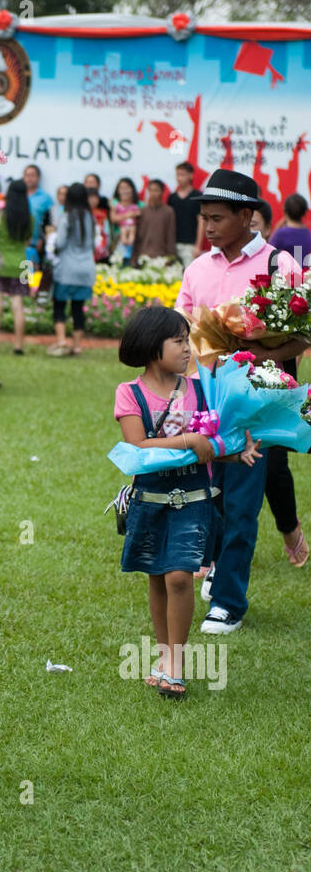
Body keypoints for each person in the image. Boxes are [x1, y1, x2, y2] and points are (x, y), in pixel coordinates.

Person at [175, 168, 310, 633]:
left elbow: (301, 338)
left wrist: (257, 354)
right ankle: (214, 569)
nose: (208, 227)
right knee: (206, 496)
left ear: (247, 216)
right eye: (205, 218)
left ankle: (228, 602)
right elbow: (182, 332)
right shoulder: (197, 269)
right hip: (207, 403)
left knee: (242, 504)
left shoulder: (280, 267)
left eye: (217, 218)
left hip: (258, 406)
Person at [115, 305, 260, 697]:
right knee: (157, 577)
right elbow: (137, 447)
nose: (187, 348)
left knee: (179, 576)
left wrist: (235, 450)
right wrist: (187, 440)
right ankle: (165, 654)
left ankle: (175, 664)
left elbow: (212, 446)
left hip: (194, 500)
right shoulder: (129, 394)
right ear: (149, 347)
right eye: (177, 341)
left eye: (187, 340)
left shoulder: (201, 389)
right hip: (150, 499)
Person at [250, 203, 309, 567]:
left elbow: (303, 330)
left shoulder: (281, 266)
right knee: (219, 463)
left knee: (272, 463)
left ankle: (290, 530)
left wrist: (275, 352)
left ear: (268, 228)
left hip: (276, 379)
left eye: (255, 226)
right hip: (225, 379)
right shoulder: (208, 266)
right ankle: (210, 552)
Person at [48, 182, 96, 357]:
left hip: (67, 269)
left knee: (59, 305)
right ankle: (77, 346)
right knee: (78, 308)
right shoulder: (90, 217)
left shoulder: (67, 216)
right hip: (86, 269)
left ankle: (61, 341)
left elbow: (60, 242)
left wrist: (53, 247)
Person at [0, 178, 31, 355]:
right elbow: (28, 240)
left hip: (0, 264)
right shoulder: (30, 217)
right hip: (21, 264)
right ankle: (18, 346)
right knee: (18, 306)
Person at [133, 179, 176, 263]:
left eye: (156, 190)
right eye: (151, 190)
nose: (153, 193)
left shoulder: (168, 211)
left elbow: (171, 236)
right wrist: (135, 257)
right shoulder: (142, 211)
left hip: (161, 257)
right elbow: (138, 236)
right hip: (143, 256)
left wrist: (170, 258)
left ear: (162, 192)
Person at [168, 161, 202, 267]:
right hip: (173, 244)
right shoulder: (172, 198)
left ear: (191, 176)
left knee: (189, 274)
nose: (179, 178)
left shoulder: (198, 196)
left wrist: (198, 245)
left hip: (190, 245)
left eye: (182, 175)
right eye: (177, 175)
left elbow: (201, 222)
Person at [271, 193, 311, 268]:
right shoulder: (307, 232)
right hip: (303, 276)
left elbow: (270, 253)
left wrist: (276, 228)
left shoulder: (281, 234)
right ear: (304, 212)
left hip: (286, 277)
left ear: (285, 210)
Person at [111, 177, 141, 265]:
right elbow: (113, 219)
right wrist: (128, 215)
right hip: (118, 241)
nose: (125, 191)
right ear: (117, 190)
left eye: (127, 187)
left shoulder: (139, 204)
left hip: (136, 243)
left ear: (132, 189)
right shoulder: (115, 204)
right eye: (121, 188)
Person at [87, 186, 112, 262]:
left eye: (95, 198)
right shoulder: (83, 214)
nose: (93, 201)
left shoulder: (103, 213)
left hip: (102, 248)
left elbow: (107, 231)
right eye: (90, 198)